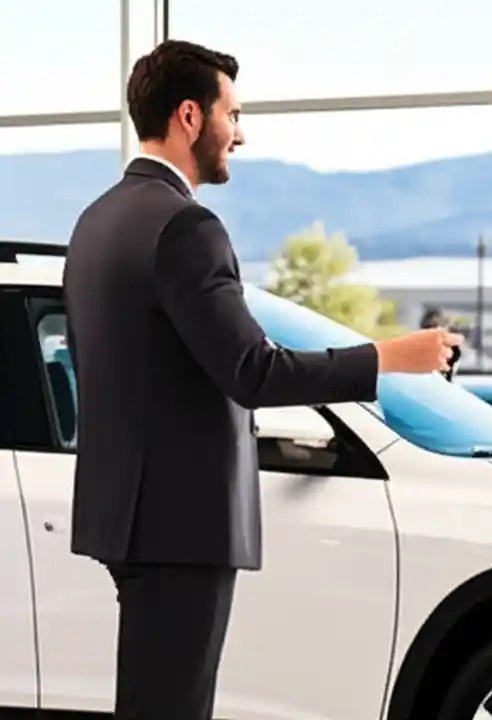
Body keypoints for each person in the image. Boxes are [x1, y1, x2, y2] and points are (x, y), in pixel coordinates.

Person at [62, 40, 464, 720]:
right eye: (233, 114)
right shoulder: (185, 225)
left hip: (123, 513)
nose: (240, 133)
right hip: (178, 523)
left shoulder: (96, 220)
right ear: (191, 116)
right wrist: (390, 356)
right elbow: (253, 370)